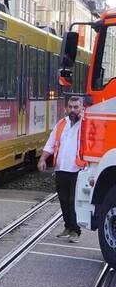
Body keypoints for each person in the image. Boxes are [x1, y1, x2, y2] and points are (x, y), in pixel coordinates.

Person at [39, 95, 86, 242]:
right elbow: (51, 143)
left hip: (79, 169)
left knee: (73, 202)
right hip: (61, 168)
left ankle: (75, 231)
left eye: (76, 107)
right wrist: (42, 159)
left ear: (82, 108)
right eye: (70, 107)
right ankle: (68, 226)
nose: (72, 110)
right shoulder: (61, 123)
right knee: (63, 200)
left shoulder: (86, 123)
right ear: (66, 108)